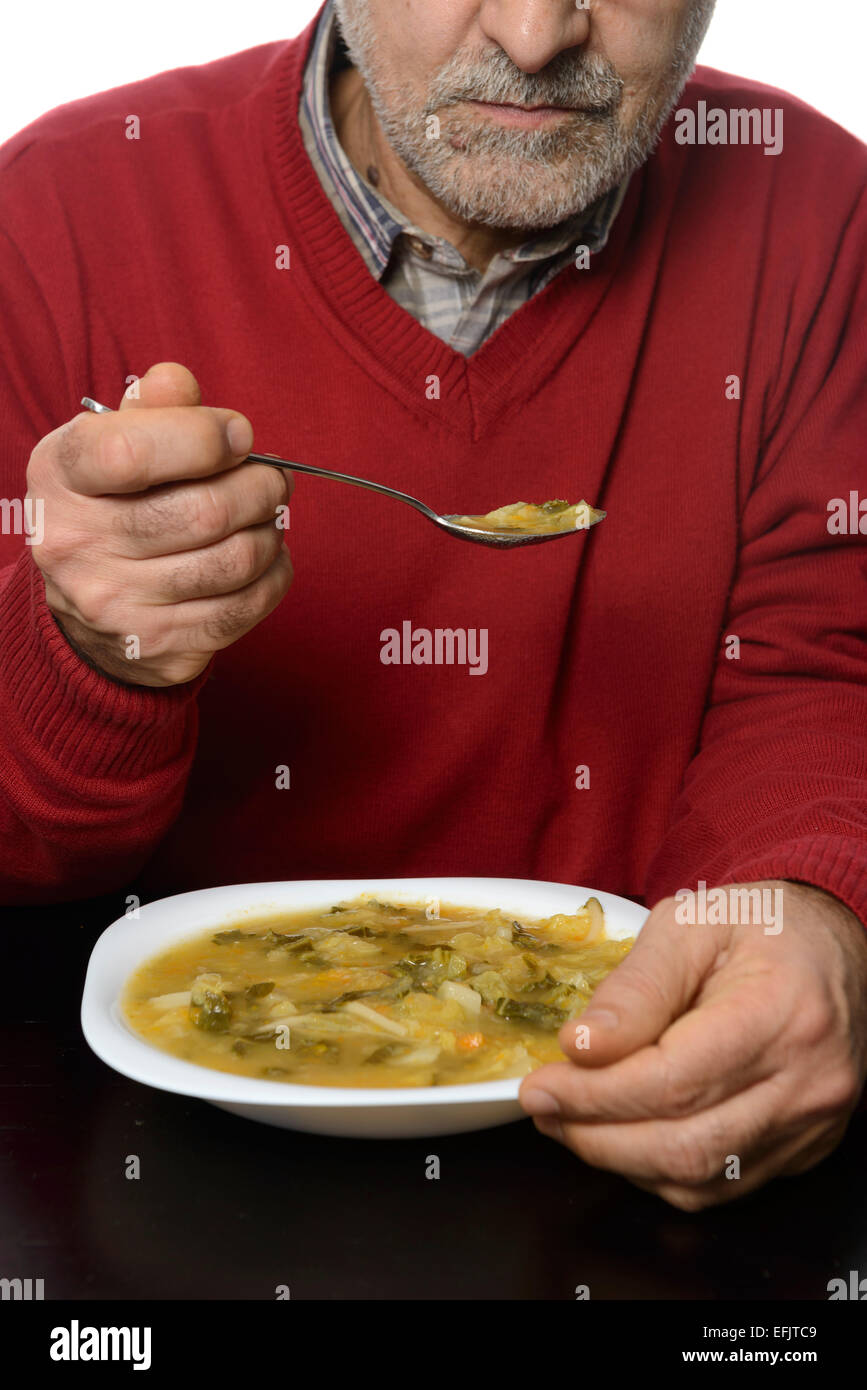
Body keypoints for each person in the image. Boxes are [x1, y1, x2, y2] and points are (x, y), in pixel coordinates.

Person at [1, 0, 865, 1209]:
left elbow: (821, 670)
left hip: (661, 1155)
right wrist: (94, 653)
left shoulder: (826, 217)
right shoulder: (55, 212)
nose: (530, 34)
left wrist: (810, 905)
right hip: (152, 1175)